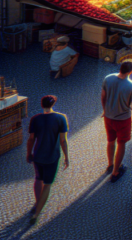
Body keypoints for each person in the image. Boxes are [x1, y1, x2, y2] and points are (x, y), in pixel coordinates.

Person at [26, 95, 69, 226]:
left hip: (38, 156)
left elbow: (31, 139)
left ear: (41, 104)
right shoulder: (61, 118)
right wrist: (66, 156)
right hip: (52, 157)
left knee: (38, 179)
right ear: (53, 104)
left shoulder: (35, 119)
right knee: (48, 184)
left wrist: (29, 153)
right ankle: (36, 214)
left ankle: (37, 203)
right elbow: (63, 140)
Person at [101, 59, 132, 183]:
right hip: (123, 120)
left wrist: (105, 110)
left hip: (108, 118)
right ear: (131, 71)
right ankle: (116, 172)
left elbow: (103, 96)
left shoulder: (108, 78)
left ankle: (110, 164)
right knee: (121, 144)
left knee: (110, 141)